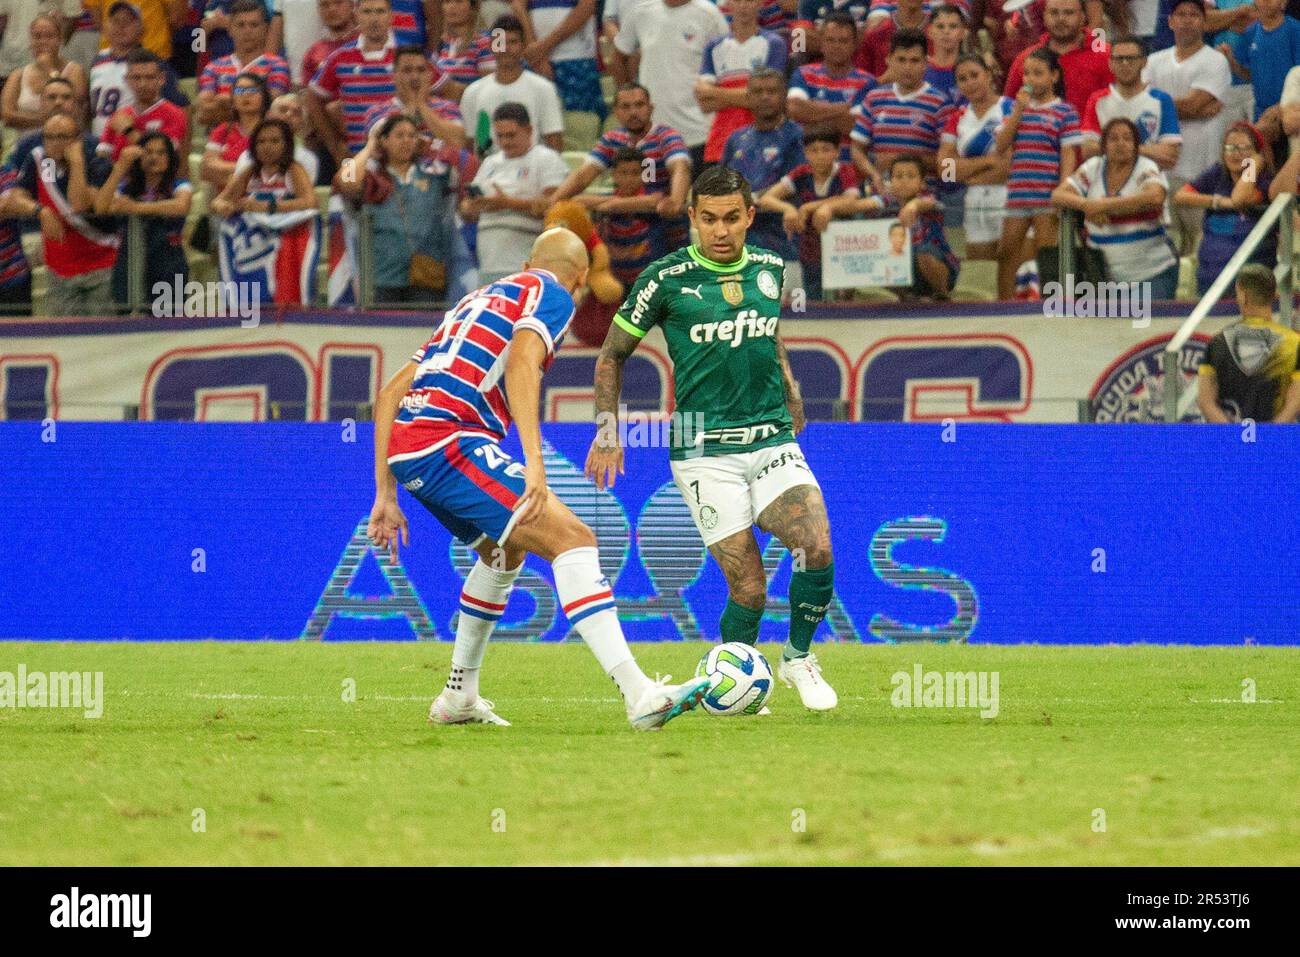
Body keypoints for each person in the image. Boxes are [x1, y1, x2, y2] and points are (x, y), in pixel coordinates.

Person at [367, 227, 712, 729]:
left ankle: (458, 697)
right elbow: (524, 362)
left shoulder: (473, 302)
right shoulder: (549, 292)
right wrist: (534, 459)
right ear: (580, 279)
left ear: (529, 258)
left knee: (502, 553)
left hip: (413, 447)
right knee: (574, 539)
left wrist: (385, 490)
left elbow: (390, 394)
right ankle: (640, 695)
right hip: (449, 441)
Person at [586, 165, 841, 712]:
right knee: (749, 588)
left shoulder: (771, 268)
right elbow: (612, 354)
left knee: (815, 547)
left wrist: (792, 390)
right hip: (703, 450)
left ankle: (797, 657)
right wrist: (608, 431)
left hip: (770, 436)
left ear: (750, 217)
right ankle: (736, 682)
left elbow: (768, 335)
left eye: (731, 219)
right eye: (708, 219)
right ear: (692, 219)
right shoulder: (665, 278)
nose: (721, 231)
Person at [335, 112, 463, 303]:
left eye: (412, 135)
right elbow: (346, 181)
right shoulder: (372, 178)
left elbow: (466, 158)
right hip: (382, 277)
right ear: (384, 141)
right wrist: (370, 145)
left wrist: (429, 146)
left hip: (427, 274)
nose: (407, 141)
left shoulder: (434, 173)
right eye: (399, 135)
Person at [1052, 116, 1180, 299]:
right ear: (1103, 145)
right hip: (1105, 279)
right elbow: (1058, 195)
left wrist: (1104, 206)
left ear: (1136, 145)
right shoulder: (1094, 167)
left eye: (1127, 138)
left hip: (1152, 275)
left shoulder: (1145, 166)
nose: (1121, 144)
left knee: (1144, 327)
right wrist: (1087, 206)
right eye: (1113, 138)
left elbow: (1155, 196)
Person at [6, 113, 117, 315]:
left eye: (63, 137)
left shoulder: (96, 162)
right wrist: (41, 210)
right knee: (64, 339)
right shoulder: (43, 162)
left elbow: (79, 204)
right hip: (60, 270)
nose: (55, 143)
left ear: (77, 138)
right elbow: (16, 197)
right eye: (50, 137)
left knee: (102, 339)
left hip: (101, 267)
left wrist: (76, 163)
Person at [1144, 0, 1232, 256]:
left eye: (1194, 14)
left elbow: (1194, 104)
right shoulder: (1153, 61)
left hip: (1200, 167)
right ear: (1170, 21)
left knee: (1200, 242)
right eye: (1181, 14)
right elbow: (1141, 105)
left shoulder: (1215, 60)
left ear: (1204, 22)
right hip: (1161, 166)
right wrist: (1190, 108)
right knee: (1167, 246)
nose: (1187, 19)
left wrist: (1162, 104)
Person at [995, 46, 1081, 299]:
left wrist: (1062, 191)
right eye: (1027, 74)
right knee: (1007, 252)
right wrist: (1019, 111)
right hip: (1018, 194)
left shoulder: (1065, 111)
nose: (1030, 79)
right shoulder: (1015, 109)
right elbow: (1001, 146)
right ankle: (1004, 304)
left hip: (1047, 195)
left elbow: (1068, 156)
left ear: (1054, 76)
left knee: (1046, 254)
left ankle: (1046, 302)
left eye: (1038, 73)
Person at [210, 117, 321, 305]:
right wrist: (227, 206)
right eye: (261, 141)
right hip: (255, 237)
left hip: (287, 232)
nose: (267, 147)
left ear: (286, 144)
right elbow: (219, 202)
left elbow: (310, 202)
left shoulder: (293, 169)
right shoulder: (249, 171)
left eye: (274, 141)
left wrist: (269, 207)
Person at [612, 0, 728, 173]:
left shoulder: (709, 14)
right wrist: (630, 100)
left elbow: (726, 67)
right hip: (651, 141)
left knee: (699, 197)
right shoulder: (641, 12)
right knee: (651, 194)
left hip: (700, 134)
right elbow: (619, 56)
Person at [460, 102, 568, 283]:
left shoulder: (546, 159)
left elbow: (555, 208)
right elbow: (466, 208)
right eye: (500, 136)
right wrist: (470, 207)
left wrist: (508, 203)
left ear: (529, 130)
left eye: (511, 135)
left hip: (528, 266)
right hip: (488, 265)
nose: (505, 142)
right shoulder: (490, 163)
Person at [721, 69, 806, 291]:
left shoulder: (799, 137)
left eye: (772, 91)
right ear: (748, 98)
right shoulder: (736, 139)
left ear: (784, 96)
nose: (765, 97)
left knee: (790, 316)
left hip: (786, 243)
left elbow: (797, 180)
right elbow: (722, 183)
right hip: (741, 245)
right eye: (758, 92)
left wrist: (751, 198)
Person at [757, 125, 862, 300]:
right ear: (806, 153)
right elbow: (767, 199)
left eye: (826, 150)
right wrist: (788, 209)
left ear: (837, 152)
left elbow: (852, 200)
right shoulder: (801, 173)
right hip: (810, 246)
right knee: (813, 295)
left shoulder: (845, 171)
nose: (820, 155)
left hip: (844, 245)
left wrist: (811, 207)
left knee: (844, 298)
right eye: (814, 150)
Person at [1175, 122, 1275, 295]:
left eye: (1243, 148)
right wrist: (1218, 202)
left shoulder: (1264, 182)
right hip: (1210, 279)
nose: (1235, 154)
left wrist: (1253, 167)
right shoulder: (1217, 174)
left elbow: (1240, 198)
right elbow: (1181, 196)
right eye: (1230, 147)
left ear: (1257, 153)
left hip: (1250, 287)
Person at [95, 131, 192, 304]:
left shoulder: (179, 185)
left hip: (168, 259)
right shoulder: (126, 187)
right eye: (148, 152)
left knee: (168, 319)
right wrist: (120, 167)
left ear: (170, 157)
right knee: (126, 315)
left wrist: (135, 207)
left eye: (161, 153)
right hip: (129, 257)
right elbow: (101, 207)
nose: (154, 157)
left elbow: (180, 206)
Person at [850, 29, 953, 192]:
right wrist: (873, 173)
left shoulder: (941, 103)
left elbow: (950, 162)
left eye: (914, 61)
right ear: (889, 60)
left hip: (924, 198)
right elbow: (856, 148)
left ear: (926, 63)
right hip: (880, 194)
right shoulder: (873, 98)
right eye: (901, 60)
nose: (907, 67)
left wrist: (902, 160)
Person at [847, 151, 960, 297]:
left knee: (924, 252)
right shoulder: (887, 201)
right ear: (890, 181)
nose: (904, 181)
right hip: (904, 269)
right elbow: (859, 205)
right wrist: (828, 207)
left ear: (922, 183)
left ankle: (941, 295)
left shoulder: (930, 197)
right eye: (898, 176)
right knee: (880, 253)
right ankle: (905, 296)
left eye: (911, 176)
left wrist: (912, 206)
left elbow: (925, 204)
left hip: (938, 265)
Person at [1197, 263, 1300, 422]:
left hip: (1231, 443)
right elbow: (1295, 402)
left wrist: (1235, 439)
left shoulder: (1217, 343)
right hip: (1277, 443)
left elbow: (1205, 401)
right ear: (1274, 295)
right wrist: (1268, 438)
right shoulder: (1294, 343)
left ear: (1243, 296)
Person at [695, 0, 787, 166]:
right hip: (720, 142)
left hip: (763, 140)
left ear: (760, 3)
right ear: (729, 4)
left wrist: (716, 93)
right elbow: (704, 103)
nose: (744, 6)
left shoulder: (774, 43)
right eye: (738, 0)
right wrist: (747, 97)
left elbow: (767, 99)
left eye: (750, 0)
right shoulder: (714, 47)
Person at [938, 54, 1011, 260]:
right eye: (962, 79)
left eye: (974, 75)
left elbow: (1010, 168)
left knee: (1015, 275)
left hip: (1010, 200)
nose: (970, 82)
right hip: (974, 205)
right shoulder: (957, 118)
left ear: (988, 75)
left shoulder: (1010, 109)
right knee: (981, 277)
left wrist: (967, 172)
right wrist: (988, 162)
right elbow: (946, 173)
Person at [458, 15, 563, 152]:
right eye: (500, 43)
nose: (506, 49)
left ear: (523, 45)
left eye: (513, 42)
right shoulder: (473, 92)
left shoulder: (543, 89)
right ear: (491, 46)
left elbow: (554, 143)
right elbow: (470, 145)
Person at [88, 0, 191, 140]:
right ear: (106, 26)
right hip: (99, 144)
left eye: (128, 22)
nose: (121, 27)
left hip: (132, 144)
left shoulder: (151, 65)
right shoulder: (98, 60)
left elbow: (182, 108)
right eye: (115, 21)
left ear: (141, 28)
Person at [786, 12, 875, 164]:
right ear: (821, 42)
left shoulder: (868, 82)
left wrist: (811, 113)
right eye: (830, 40)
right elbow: (794, 109)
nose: (836, 46)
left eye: (843, 41)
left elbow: (853, 126)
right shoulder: (803, 73)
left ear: (855, 44)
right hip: (805, 167)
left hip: (847, 169)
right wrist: (843, 108)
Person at [1081, 37, 1181, 170]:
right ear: (1110, 63)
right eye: (1119, 58)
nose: (1125, 63)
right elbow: (1087, 150)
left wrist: (1116, 148)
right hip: (1107, 181)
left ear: (1144, 62)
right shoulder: (1097, 99)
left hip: (1148, 181)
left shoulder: (1162, 100)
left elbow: (1169, 156)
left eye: (1131, 58)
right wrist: (1146, 150)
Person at [1003, 0, 1112, 118]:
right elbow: (1007, 110)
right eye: (1054, 13)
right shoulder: (1025, 59)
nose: (1061, 19)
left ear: (1083, 17)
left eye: (1069, 13)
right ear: (1044, 16)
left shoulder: (1106, 56)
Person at [196, 0, 292, 126]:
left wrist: (222, 101)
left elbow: (271, 105)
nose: (247, 31)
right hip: (223, 142)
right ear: (230, 29)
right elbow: (204, 112)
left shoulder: (277, 65)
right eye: (241, 25)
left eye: (254, 25)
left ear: (265, 29)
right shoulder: (213, 67)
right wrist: (250, 102)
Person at [1220, 0, 1300, 147]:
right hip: (1260, 115)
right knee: (1261, 165)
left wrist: (1279, 108)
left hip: (1291, 113)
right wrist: (1231, 62)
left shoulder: (1295, 30)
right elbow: (1249, 75)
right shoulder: (1250, 33)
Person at [517, 0, 605, 122]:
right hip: (535, 61)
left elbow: (587, 6)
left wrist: (543, 46)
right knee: (533, 121)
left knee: (581, 122)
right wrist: (536, 53)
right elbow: (518, 6)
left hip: (576, 59)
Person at [1, 13, 88, 135]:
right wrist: (49, 119)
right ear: (30, 41)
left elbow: (72, 111)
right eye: (37, 36)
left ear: (60, 39)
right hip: (26, 144)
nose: (43, 42)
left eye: (49, 36)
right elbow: (7, 116)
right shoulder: (18, 74)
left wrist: (50, 70)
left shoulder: (74, 70)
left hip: (63, 140)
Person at [97, 49, 189, 163]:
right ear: (127, 80)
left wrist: (129, 131)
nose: (142, 84)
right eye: (136, 78)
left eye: (149, 77)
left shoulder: (175, 114)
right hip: (121, 178)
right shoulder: (119, 116)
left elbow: (160, 157)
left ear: (161, 79)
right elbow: (102, 156)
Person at [200, 71, 271, 195]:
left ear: (264, 96)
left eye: (252, 90)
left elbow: (272, 170)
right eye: (239, 91)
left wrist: (223, 169)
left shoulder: (273, 130)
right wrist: (251, 170)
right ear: (233, 98)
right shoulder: (223, 130)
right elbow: (206, 170)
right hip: (227, 204)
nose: (245, 95)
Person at [435, 0, 493, 101]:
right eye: (447, 2)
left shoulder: (484, 41)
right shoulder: (441, 42)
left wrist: (457, 90)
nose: (452, 6)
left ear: (472, 6)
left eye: (459, 1)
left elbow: (490, 87)